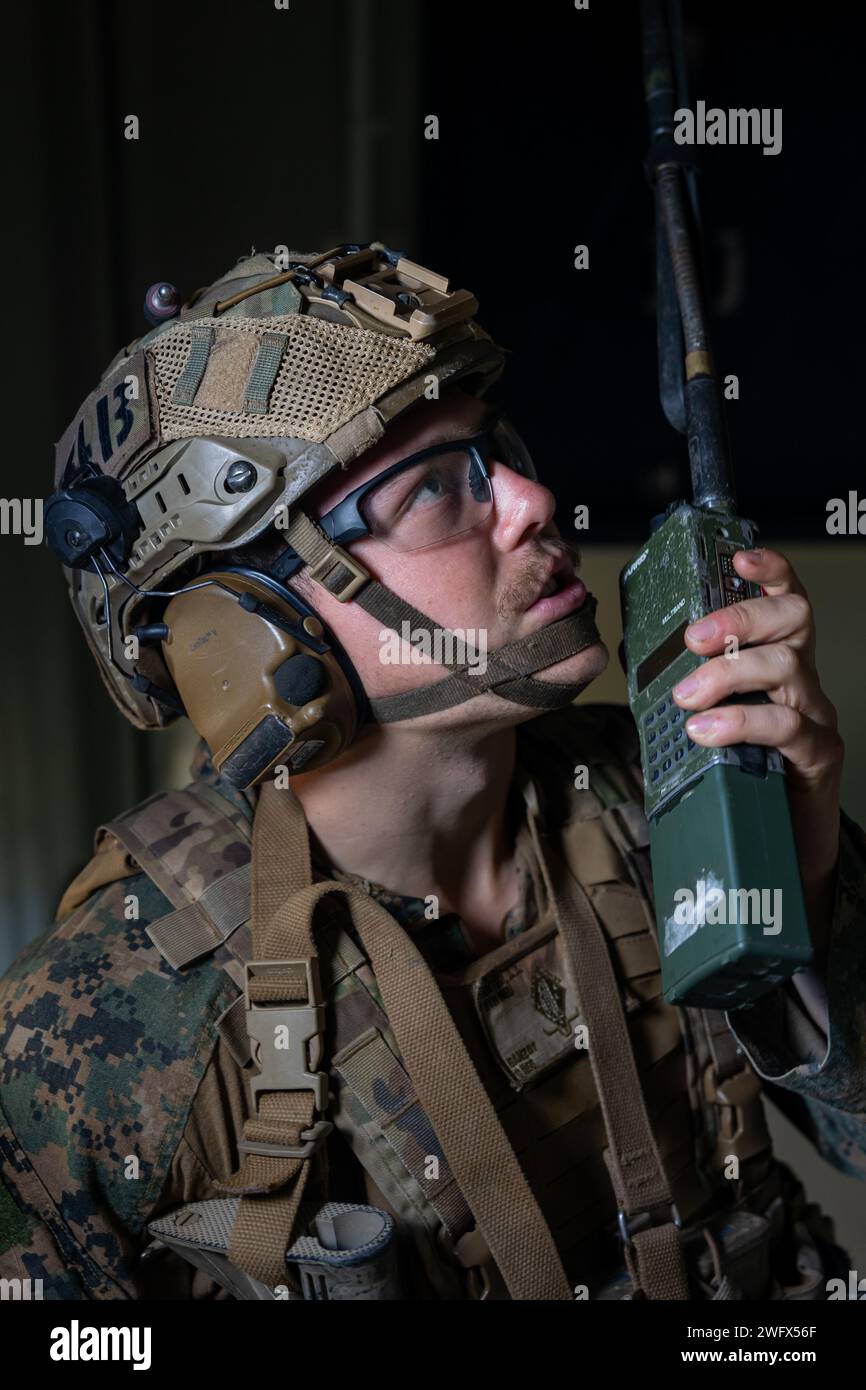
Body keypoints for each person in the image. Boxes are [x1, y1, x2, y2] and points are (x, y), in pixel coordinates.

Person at [1, 244, 864, 1301]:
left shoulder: (654, 789)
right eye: (433, 490)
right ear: (250, 629)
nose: (533, 501)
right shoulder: (101, 1023)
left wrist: (804, 855)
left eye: (493, 451)